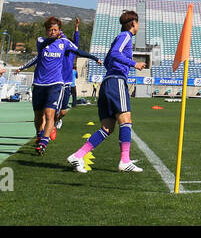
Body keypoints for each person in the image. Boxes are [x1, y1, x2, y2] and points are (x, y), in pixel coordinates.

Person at [68, 9, 147, 173]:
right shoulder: (126, 36)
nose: (138, 26)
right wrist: (134, 64)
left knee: (107, 127)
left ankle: (78, 155)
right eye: (138, 23)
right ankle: (125, 161)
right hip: (116, 82)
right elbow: (115, 53)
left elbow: (106, 60)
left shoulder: (119, 38)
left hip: (107, 83)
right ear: (133, 24)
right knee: (125, 120)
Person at [19, 16, 100, 154]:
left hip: (56, 84)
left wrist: (94, 58)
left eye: (55, 30)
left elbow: (78, 50)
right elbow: (45, 44)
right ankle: (40, 135)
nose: (52, 32)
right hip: (39, 84)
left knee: (50, 114)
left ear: (59, 30)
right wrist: (56, 37)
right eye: (50, 30)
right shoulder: (41, 41)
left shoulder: (64, 43)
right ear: (46, 30)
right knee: (38, 115)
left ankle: (44, 142)